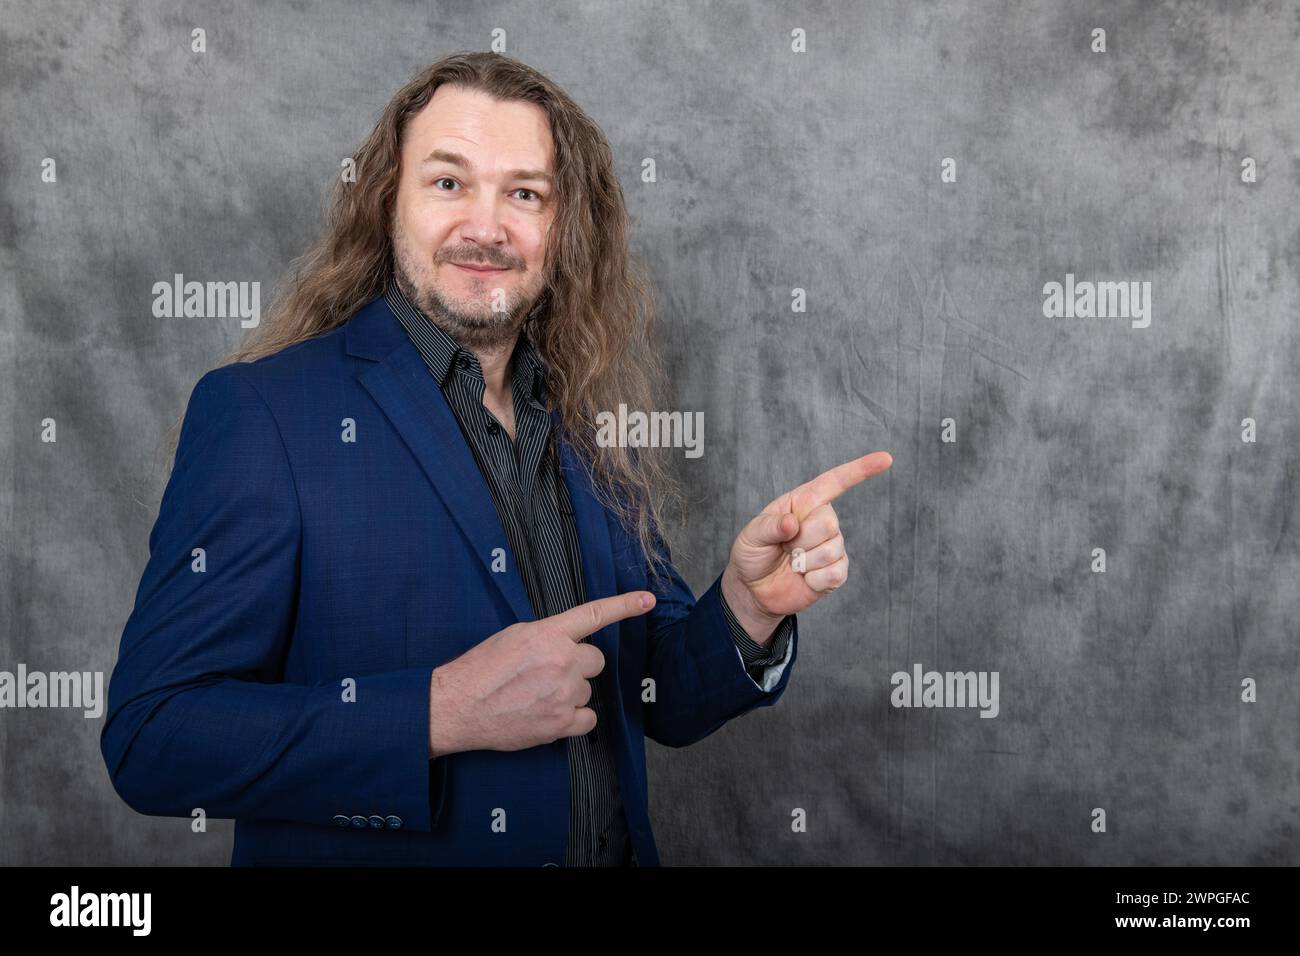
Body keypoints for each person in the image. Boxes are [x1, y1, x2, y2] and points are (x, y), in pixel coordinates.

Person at [100, 51, 892, 867]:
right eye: (448, 183)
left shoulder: (583, 419)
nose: (486, 228)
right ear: (387, 203)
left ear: (563, 226)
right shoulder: (264, 414)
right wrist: (440, 711)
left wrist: (748, 609)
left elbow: (655, 695)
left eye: (524, 193)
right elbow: (154, 737)